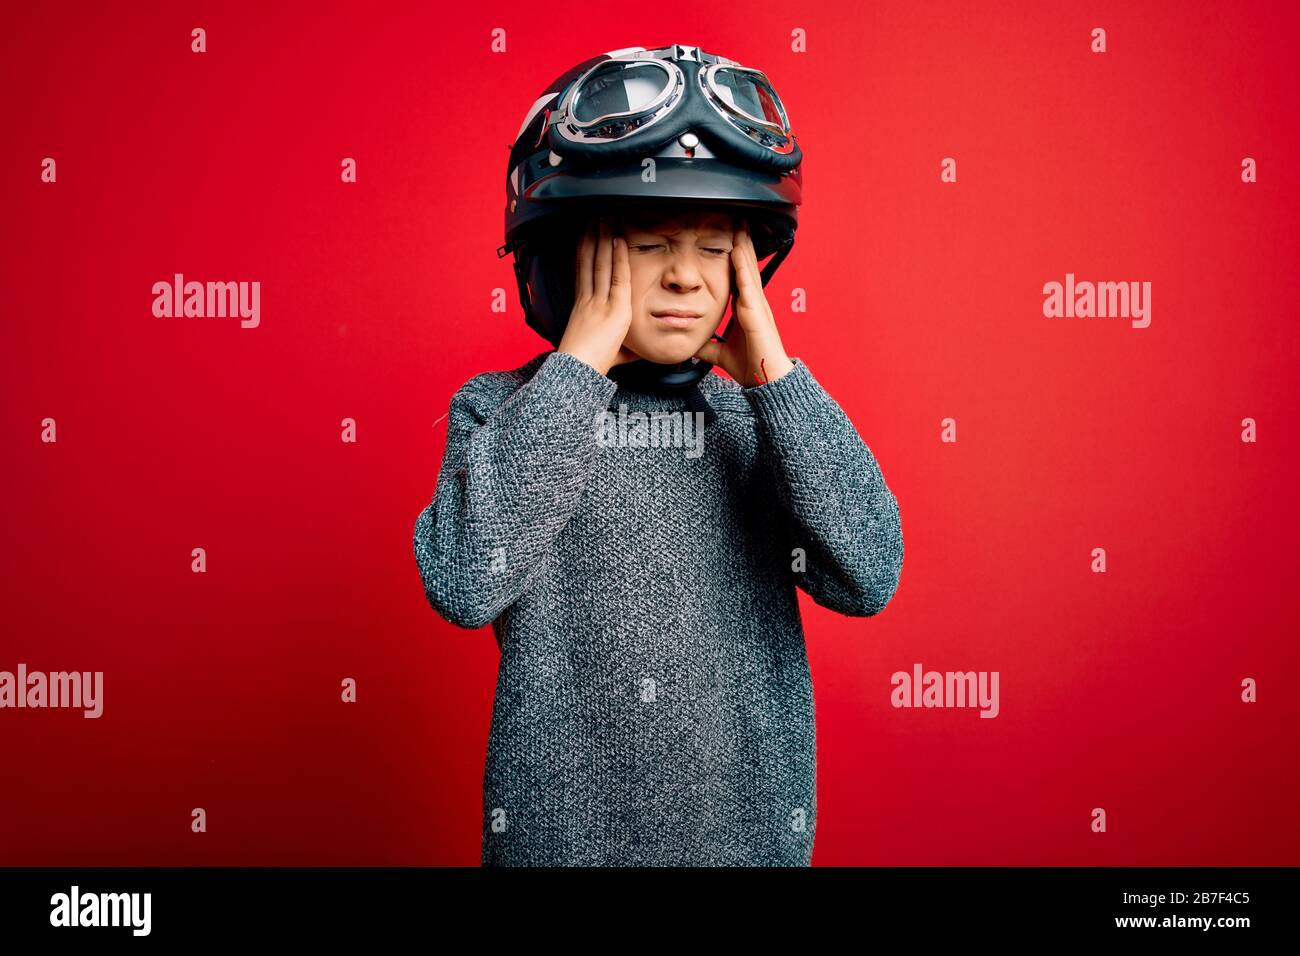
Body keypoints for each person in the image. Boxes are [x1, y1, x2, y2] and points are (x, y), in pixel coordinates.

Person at [412, 44, 904, 865]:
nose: (685, 277)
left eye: (714, 249)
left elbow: (869, 574)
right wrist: (576, 372)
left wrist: (777, 384)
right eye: (648, 246)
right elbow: (463, 583)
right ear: (567, 261)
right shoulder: (503, 412)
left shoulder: (756, 419)